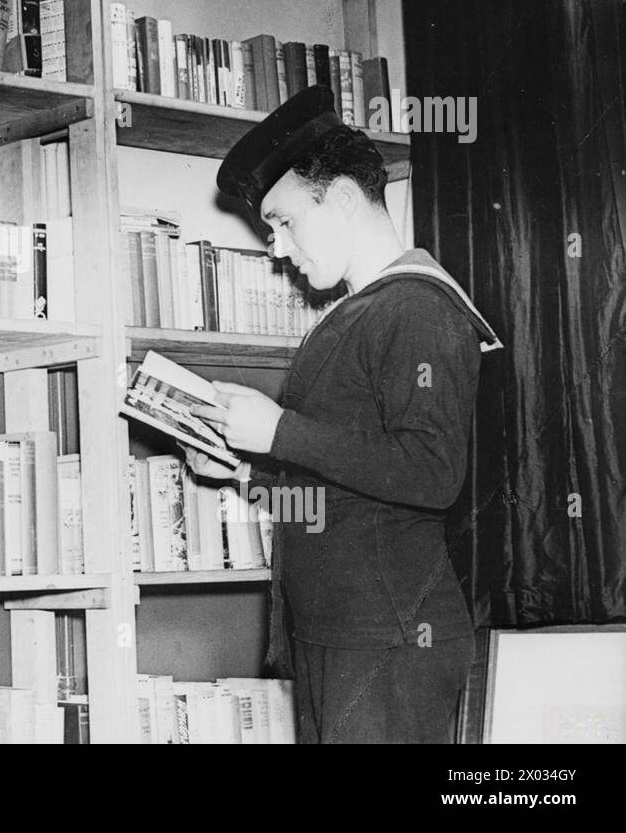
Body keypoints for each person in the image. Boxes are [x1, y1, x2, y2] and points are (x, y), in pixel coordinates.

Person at [186, 85, 502, 743]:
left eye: (284, 221)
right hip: (342, 634)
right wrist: (242, 475)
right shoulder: (363, 312)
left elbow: (432, 472)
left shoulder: (416, 307)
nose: (276, 247)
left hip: (387, 639)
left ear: (347, 198)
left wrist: (279, 431)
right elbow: (348, 493)